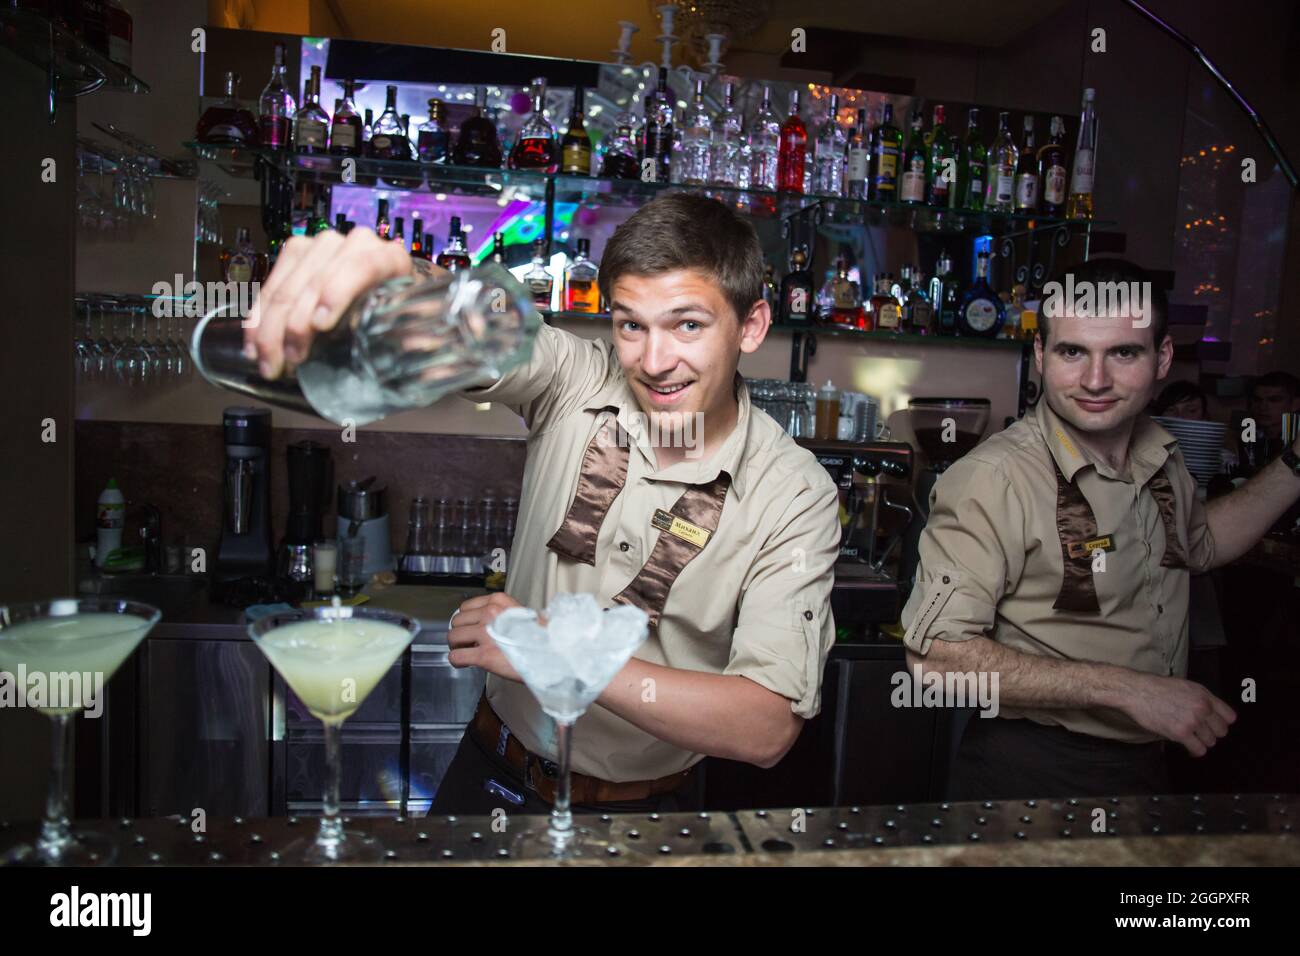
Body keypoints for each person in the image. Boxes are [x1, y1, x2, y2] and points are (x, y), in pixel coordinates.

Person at [241, 194, 841, 816]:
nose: (655, 363)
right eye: (631, 324)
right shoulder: (576, 380)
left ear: (751, 326)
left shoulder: (793, 494)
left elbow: (765, 727)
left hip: (639, 814)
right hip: (489, 773)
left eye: (688, 324)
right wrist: (396, 282)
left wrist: (561, 657)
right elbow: (483, 324)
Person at [900, 257, 1300, 800]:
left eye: (1123, 353)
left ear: (1161, 359)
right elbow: (936, 662)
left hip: (1148, 765)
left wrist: (1294, 465)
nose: (1095, 380)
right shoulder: (995, 478)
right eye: (1072, 352)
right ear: (1041, 355)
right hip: (1036, 772)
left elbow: (1198, 544)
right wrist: (1132, 692)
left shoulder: (1162, 452)